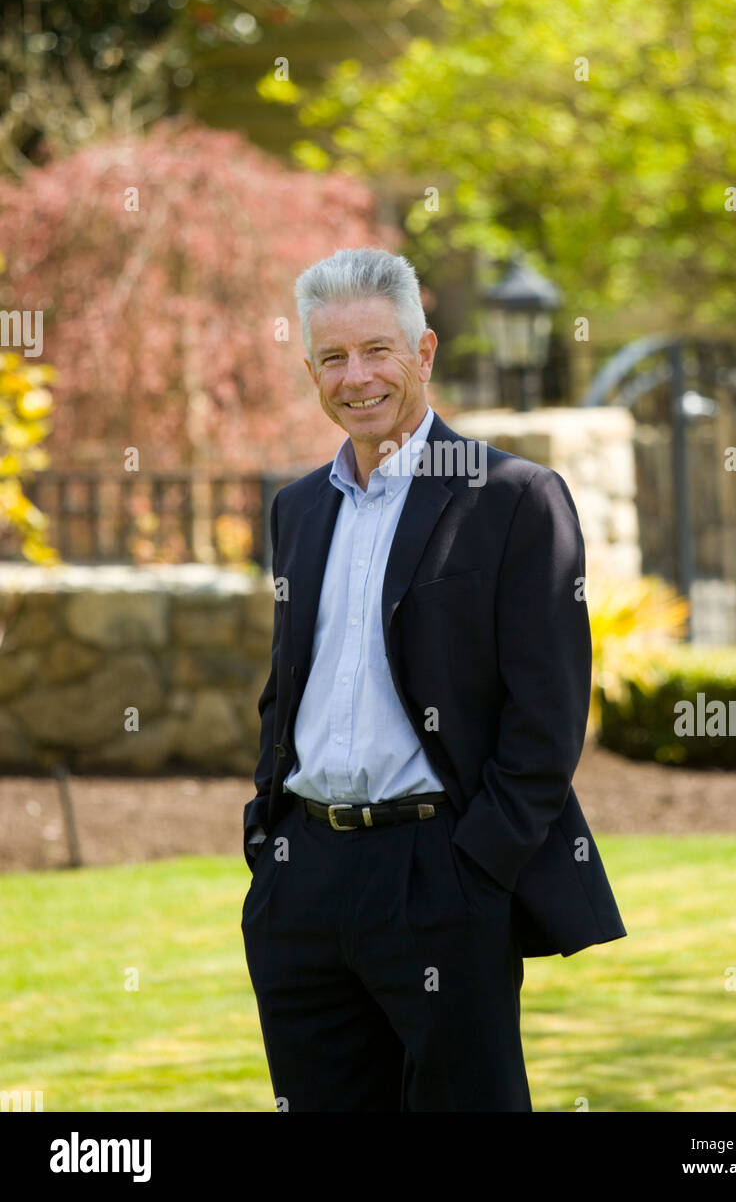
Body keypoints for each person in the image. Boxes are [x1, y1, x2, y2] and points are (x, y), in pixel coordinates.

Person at [241, 246, 626, 1112]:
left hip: (438, 874)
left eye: (378, 350)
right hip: (302, 880)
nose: (357, 377)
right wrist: (266, 845)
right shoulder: (298, 508)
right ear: (310, 369)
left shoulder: (512, 496)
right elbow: (288, 685)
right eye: (332, 358)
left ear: (424, 352)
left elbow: (548, 716)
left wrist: (474, 870)